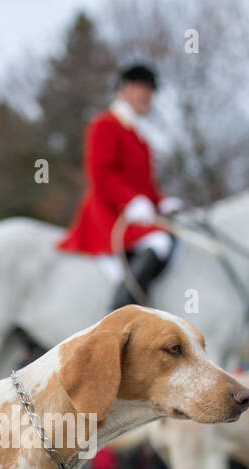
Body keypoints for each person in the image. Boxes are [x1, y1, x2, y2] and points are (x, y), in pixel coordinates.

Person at [58, 63, 182, 310]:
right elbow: (100, 174)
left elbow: (143, 184)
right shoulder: (105, 125)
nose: (147, 95)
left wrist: (161, 201)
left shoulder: (140, 136)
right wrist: (130, 201)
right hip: (108, 214)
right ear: (123, 91)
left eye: (150, 90)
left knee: (172, 240)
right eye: (141, 88)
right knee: (158, 243)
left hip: (136, 215)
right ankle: (120, 311)